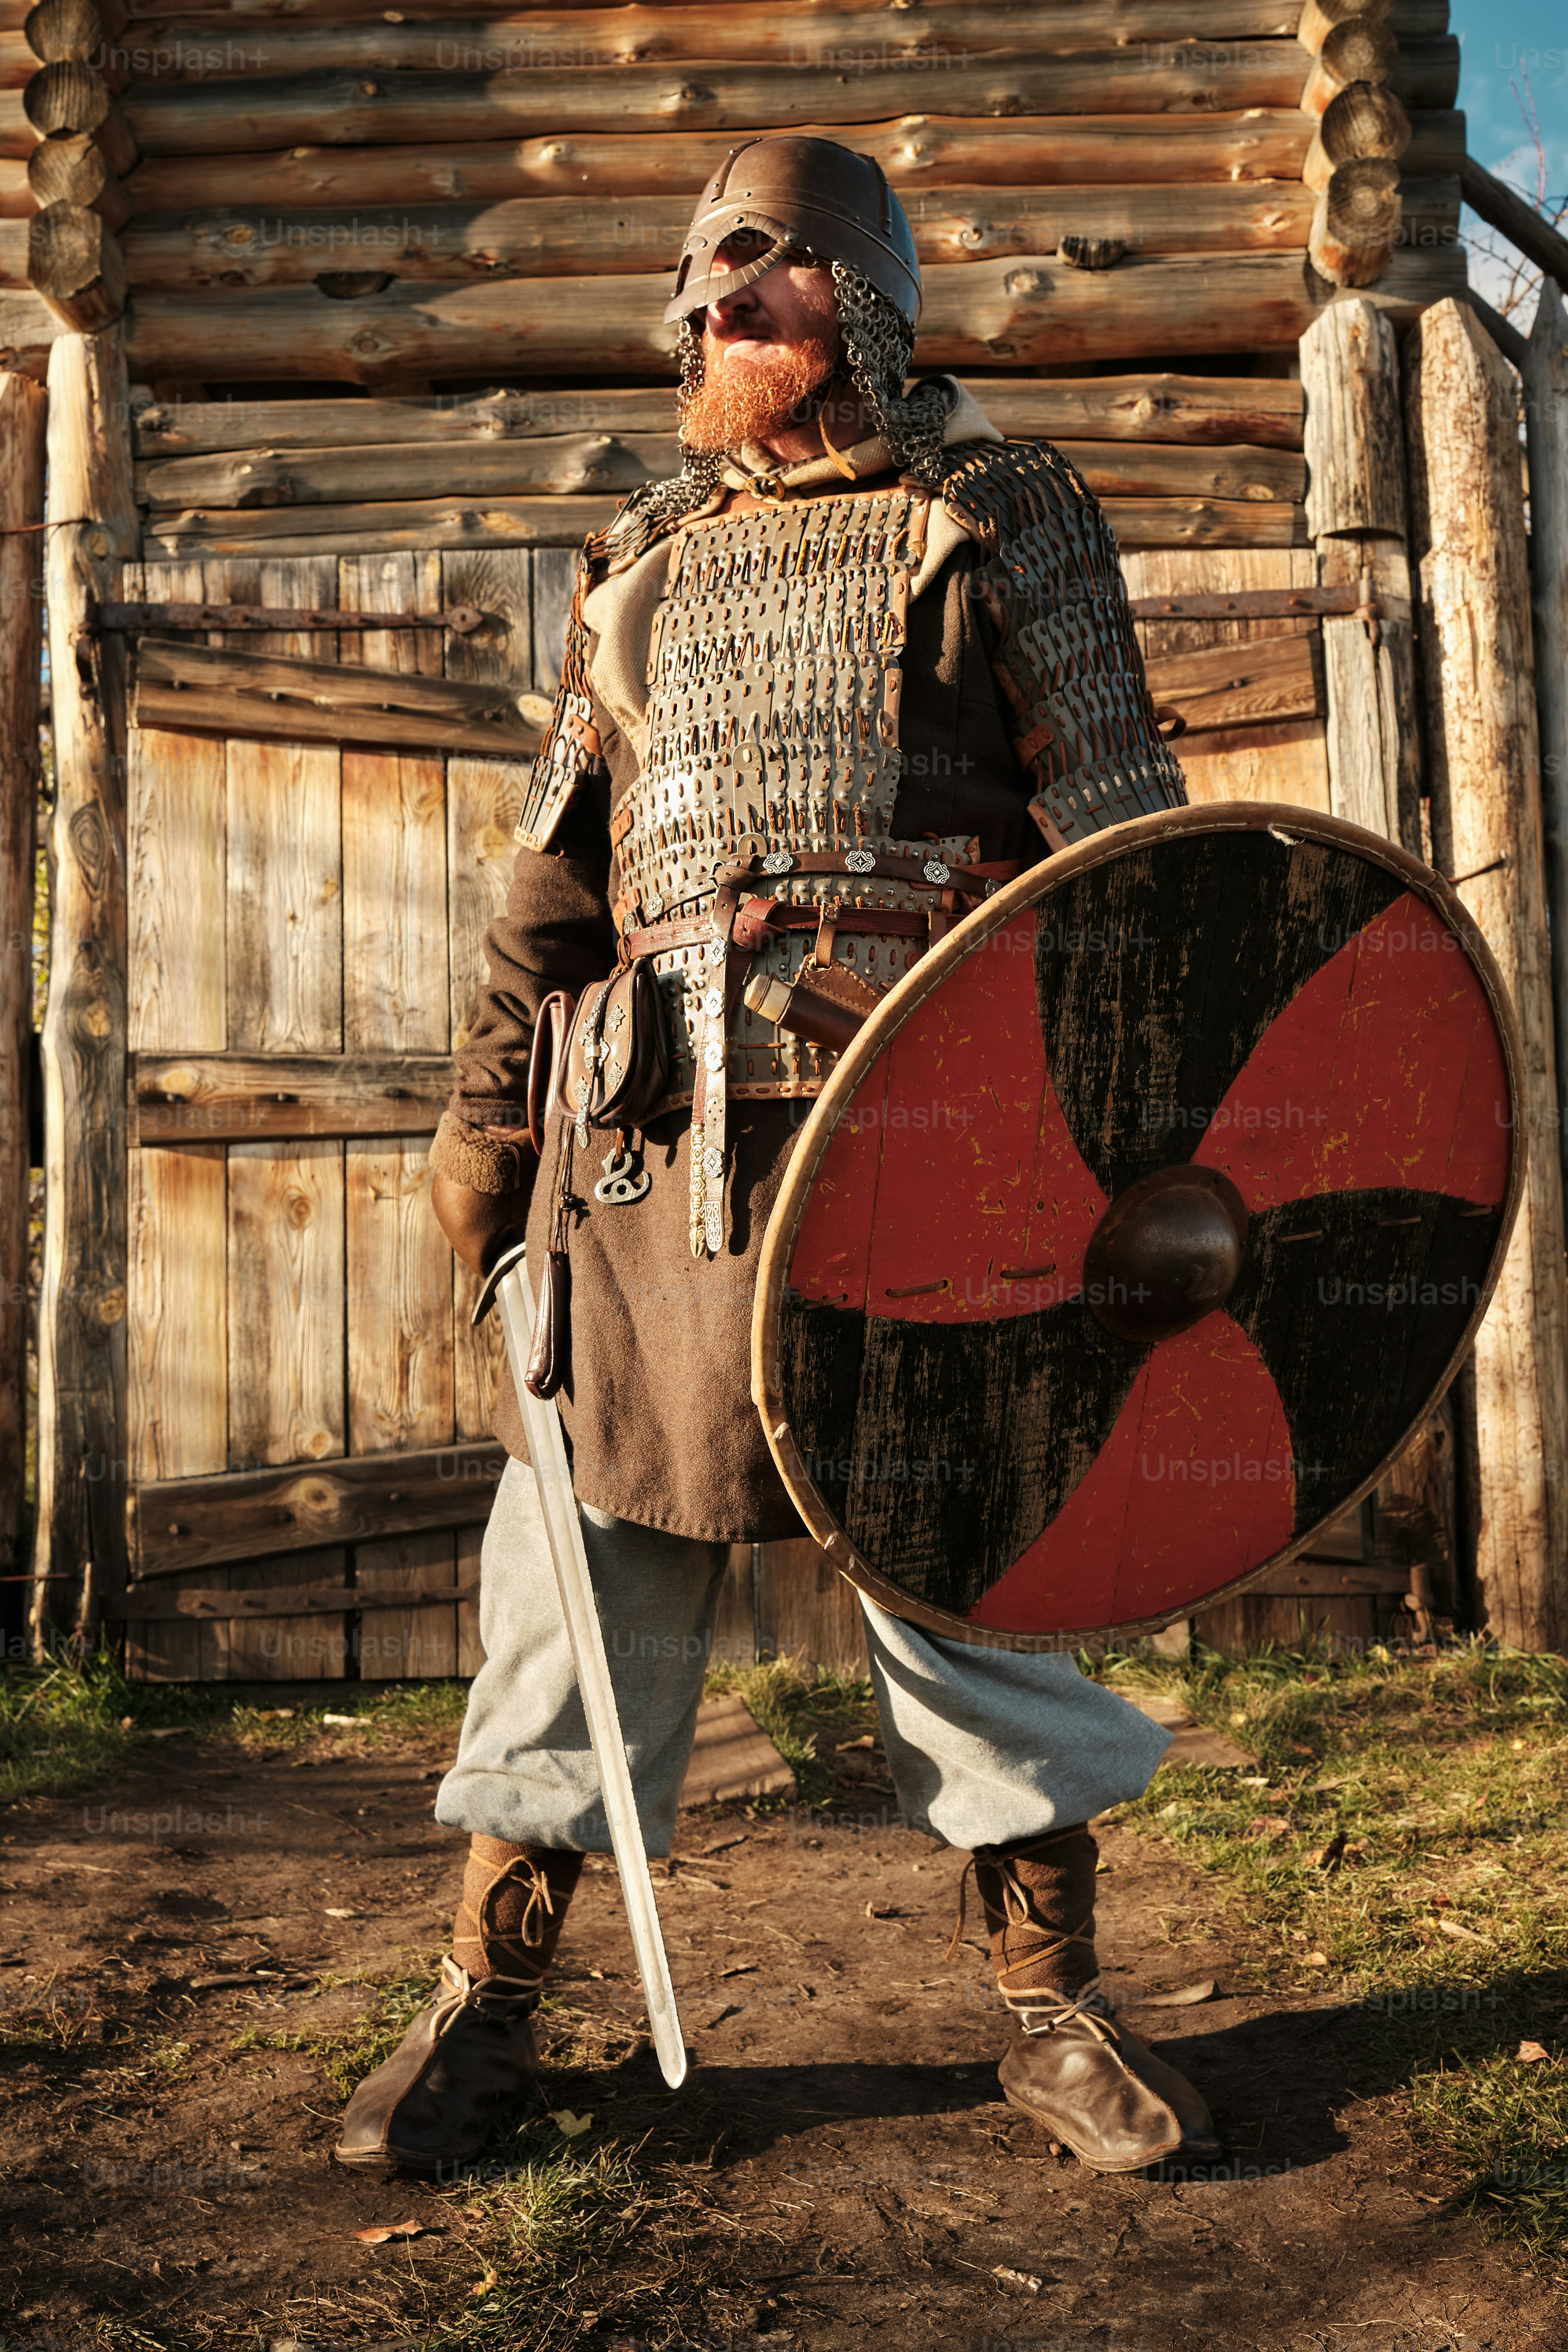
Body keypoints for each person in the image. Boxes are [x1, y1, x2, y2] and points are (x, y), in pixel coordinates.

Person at [335, 134, 1218, 2180]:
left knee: (956, 1570)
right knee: (575, 1589)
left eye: (766, 272)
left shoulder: (996, 515)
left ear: (873, 302)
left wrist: (1144, 1137)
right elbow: (548, 906)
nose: (716, 308)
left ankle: (1045, 2004)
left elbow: (1121, 850)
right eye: (701, 280)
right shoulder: (637, 558)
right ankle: (486, 1996)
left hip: (927, 1142)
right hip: (638, 1162)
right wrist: (483, 1128)